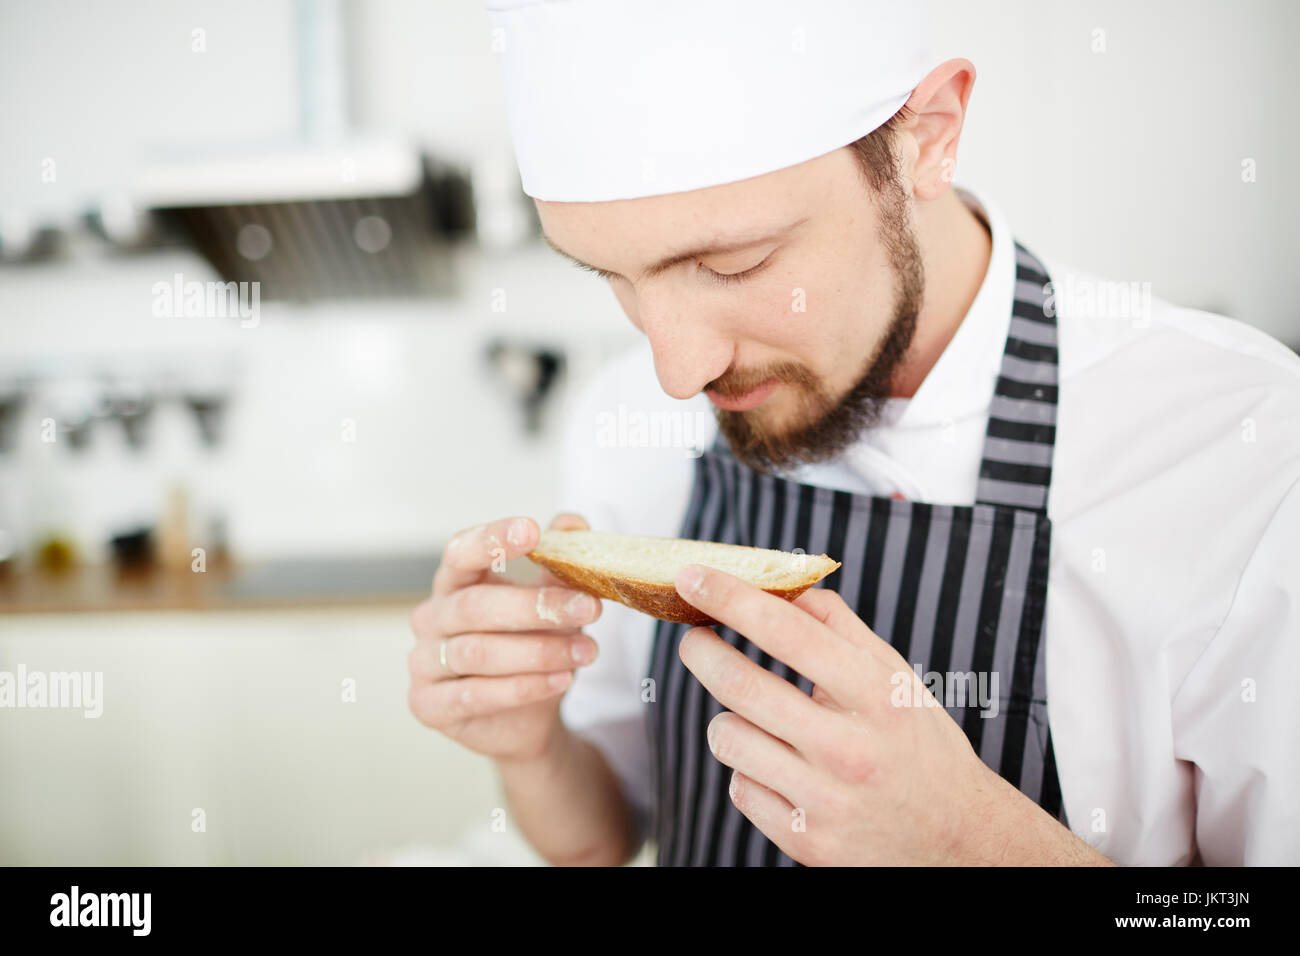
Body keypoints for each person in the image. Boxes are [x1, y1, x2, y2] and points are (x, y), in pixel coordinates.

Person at [407, 0, 1300, 866]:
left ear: (931, 134)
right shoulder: (623, 414)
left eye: (734, 265)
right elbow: (603, 836)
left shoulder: (1243, 452)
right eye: (612, 275)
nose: (677, 371)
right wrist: (528, 744)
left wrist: (975, 845)